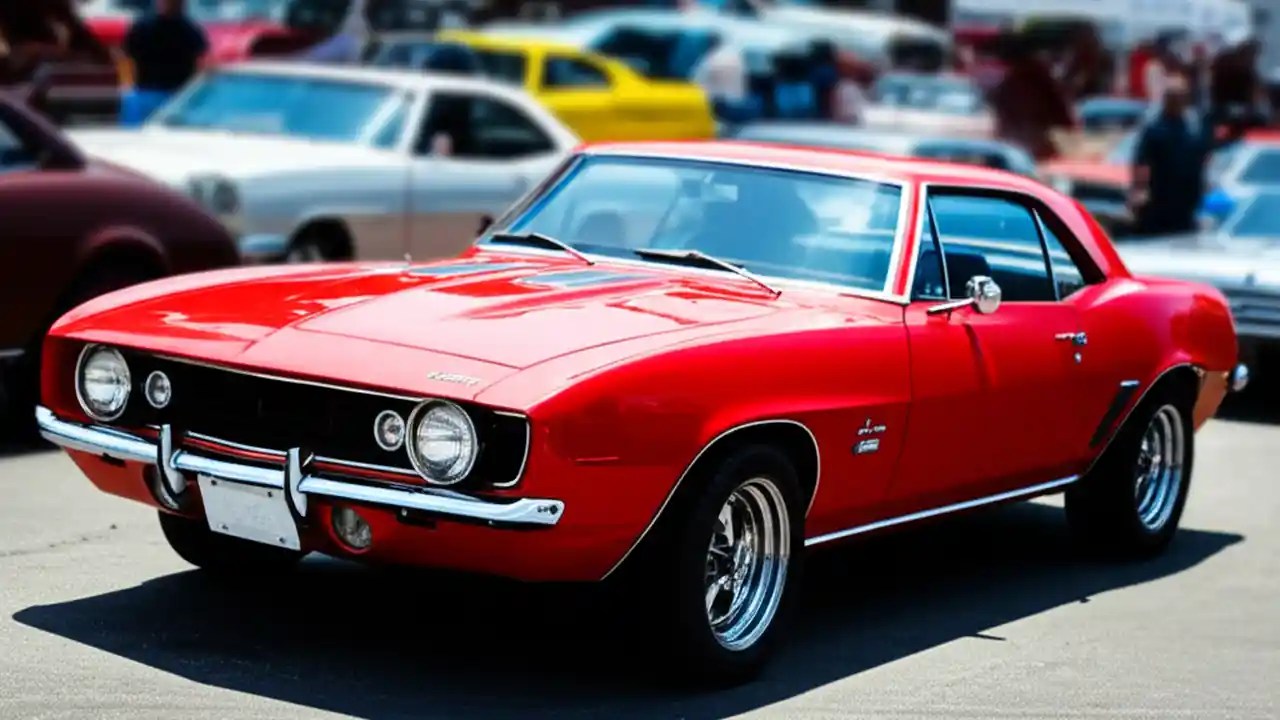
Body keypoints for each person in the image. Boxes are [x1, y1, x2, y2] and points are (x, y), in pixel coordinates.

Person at [1130, 74, 1218, 236]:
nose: (1176, 102)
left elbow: (1205, 156)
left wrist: (1207, 182)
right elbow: (1141, 161)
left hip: (1188, 199)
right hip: (1160, 198)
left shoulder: (1194, 127)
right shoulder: (1155, 127)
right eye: (1171, 97)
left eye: (1180, 97)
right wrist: (1139, 190)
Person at [121, 0, 207, 126]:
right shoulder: (190, 29)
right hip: (175, 95)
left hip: (150, 92)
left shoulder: (142, 26)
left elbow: (127, 54)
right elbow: (201, 59)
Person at [990, 35, 1073, 161]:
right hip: (1027, 141)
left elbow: (1063, 116)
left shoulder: (1033, 79)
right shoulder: (1022, 80)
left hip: (1032, 141)